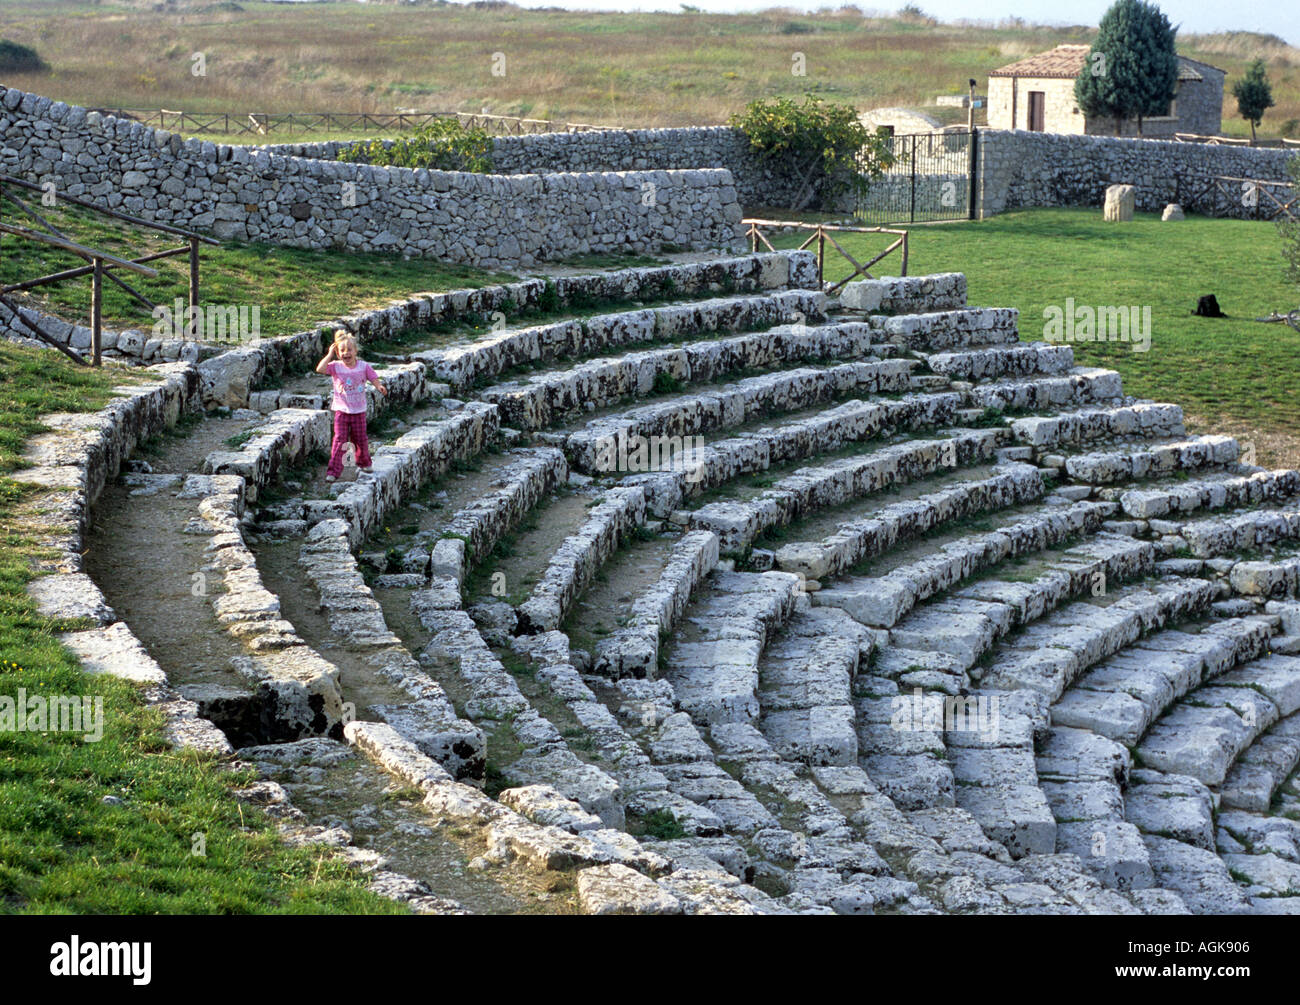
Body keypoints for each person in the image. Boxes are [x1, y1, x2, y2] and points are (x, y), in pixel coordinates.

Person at [316, 330, 387, 482]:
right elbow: (320, 369)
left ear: (356, 351)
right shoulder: (335, 366)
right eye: (342, 350)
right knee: (339, 440)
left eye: (349, 349)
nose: (346, 353)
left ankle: (364, 463)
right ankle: (333, 471)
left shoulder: (363, 366)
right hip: (341, 411)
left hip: (358, 410)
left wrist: (379, 386)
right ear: (337, 352)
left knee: (360, 438)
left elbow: (373, 377)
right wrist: (329, 354)